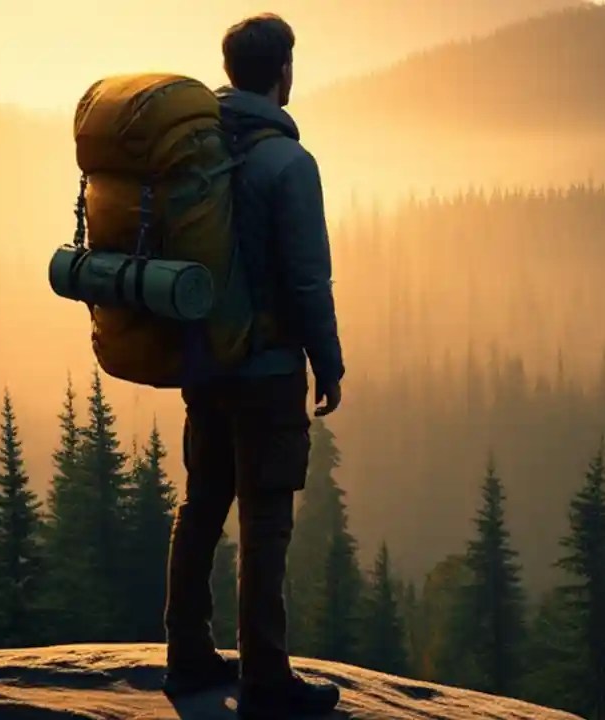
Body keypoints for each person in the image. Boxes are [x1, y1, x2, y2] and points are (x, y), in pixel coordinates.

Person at [161, 13, 345, 719]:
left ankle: (187, 655)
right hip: (267, 372)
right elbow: (307, 281)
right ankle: (266, 678)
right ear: (282, 72)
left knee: (202, 503)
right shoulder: (289, 164)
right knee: (266, 520)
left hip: (204, 362)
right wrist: (327, 364)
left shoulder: (197, 152)